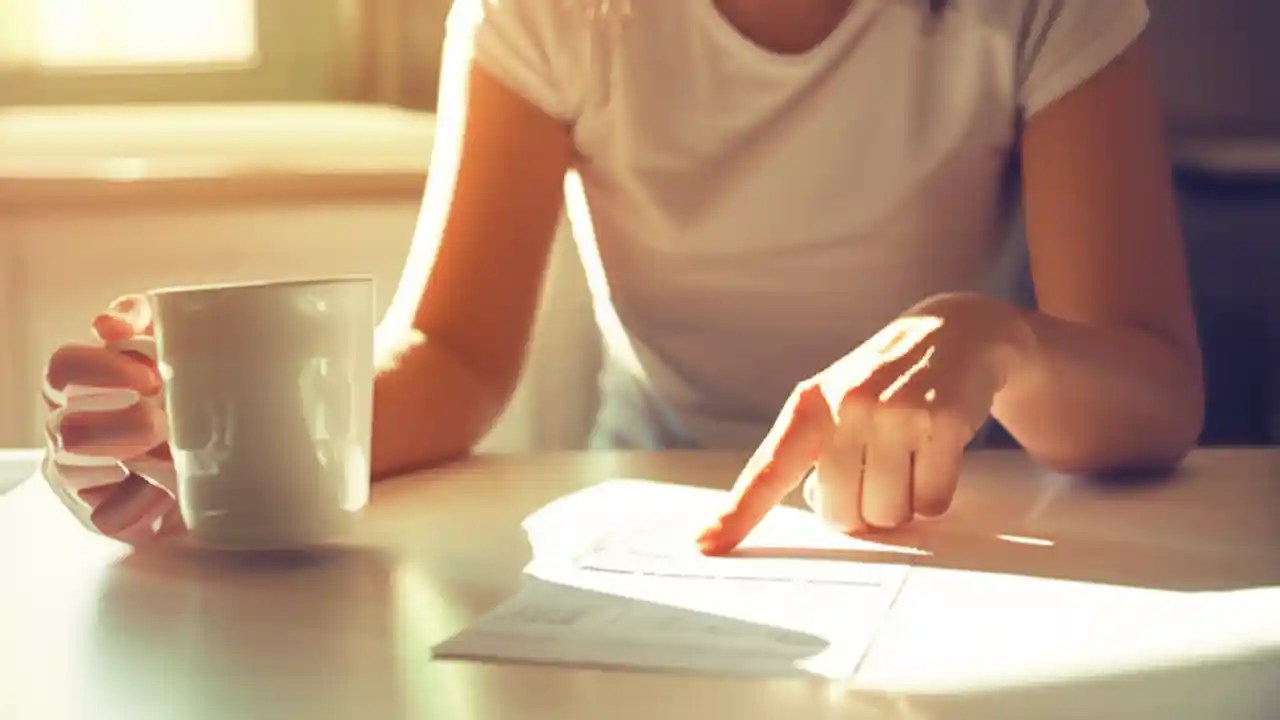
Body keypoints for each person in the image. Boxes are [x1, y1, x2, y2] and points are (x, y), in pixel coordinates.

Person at [41, 0, 1203, 552]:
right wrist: (219, 436)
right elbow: (449, 355)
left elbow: (1152, 390)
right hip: (657, 516)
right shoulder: (542, 11)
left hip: (955, 516)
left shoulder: (1045, 8)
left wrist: (994, 335)